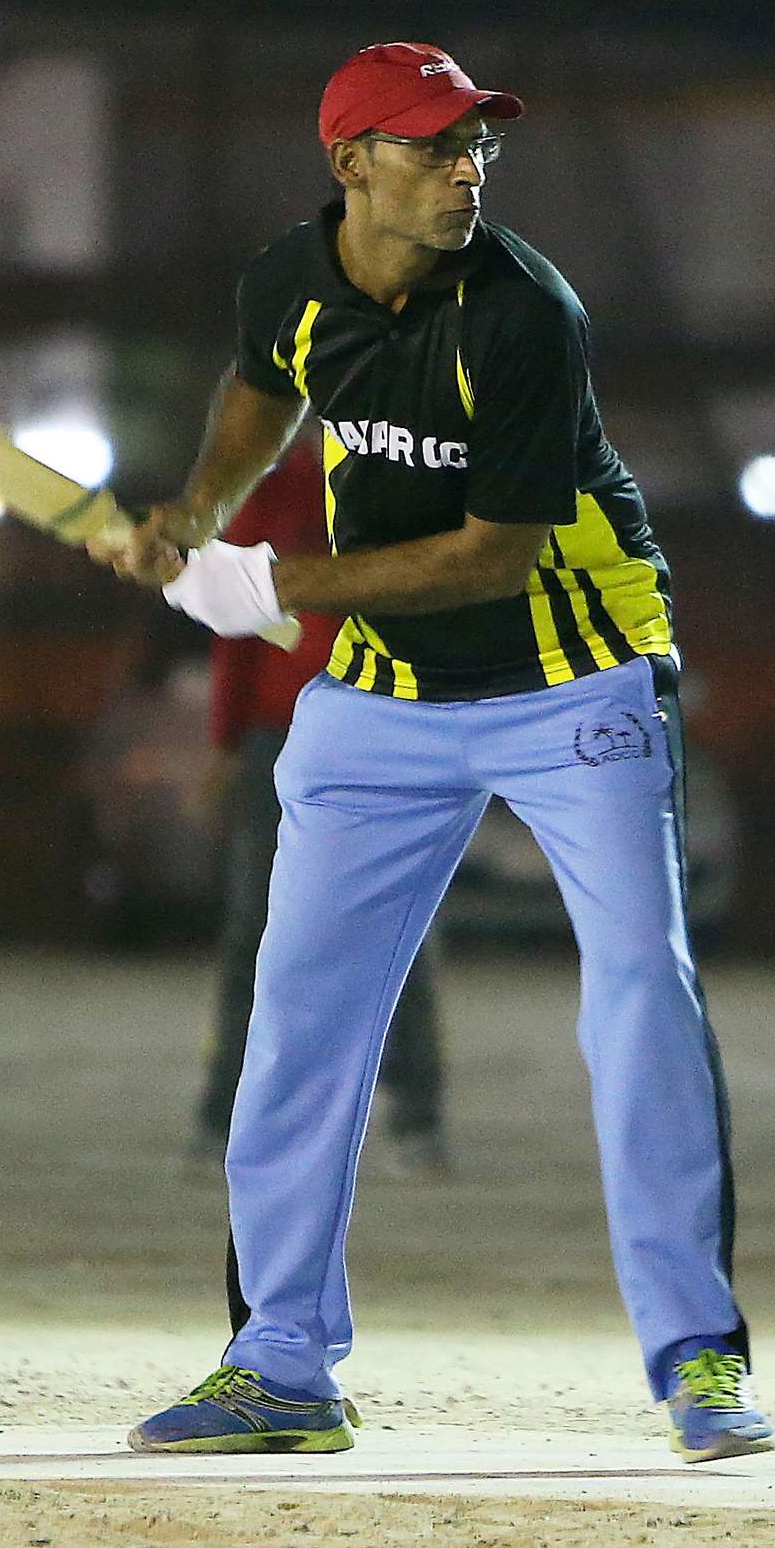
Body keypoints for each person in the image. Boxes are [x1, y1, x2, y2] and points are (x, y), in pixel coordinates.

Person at [92, 41, 769, 1463]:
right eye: (433, 145)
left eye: (476, 145)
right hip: (383, 698)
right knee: (298, 1012)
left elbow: (488, 558)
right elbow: (261, 384)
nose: (467, 170)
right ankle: (280, 1362)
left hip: (576, 677)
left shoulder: (525, 313)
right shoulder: (290, 277)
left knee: (640, 991)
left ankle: (700, 1359)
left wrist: (273, 583)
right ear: (352, 164)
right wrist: (202, 511)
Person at [190, 432, 451, 1181]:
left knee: (398, 920)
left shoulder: (409, 480)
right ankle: (225, 1115)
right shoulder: (272, 493)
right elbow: (237, 625)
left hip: (385, 721)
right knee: (258, 927)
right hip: (280, 734)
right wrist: (225, 744)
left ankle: (416, 1115)